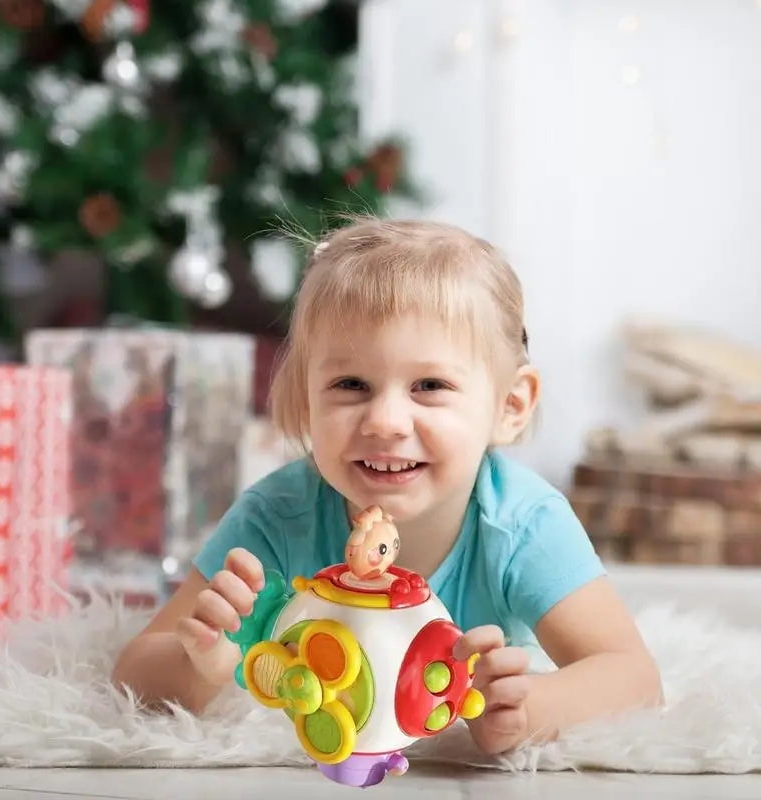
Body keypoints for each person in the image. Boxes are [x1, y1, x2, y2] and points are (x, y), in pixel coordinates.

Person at [112, 217, 662, 755]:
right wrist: (199, 666)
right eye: (350, 385)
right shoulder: (276, 516)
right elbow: (132, 673)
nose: (386, 421)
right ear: (307, 402)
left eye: (430, 386)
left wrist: (530, 709)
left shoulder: (522, 523)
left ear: (509, 406)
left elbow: (633, 677)